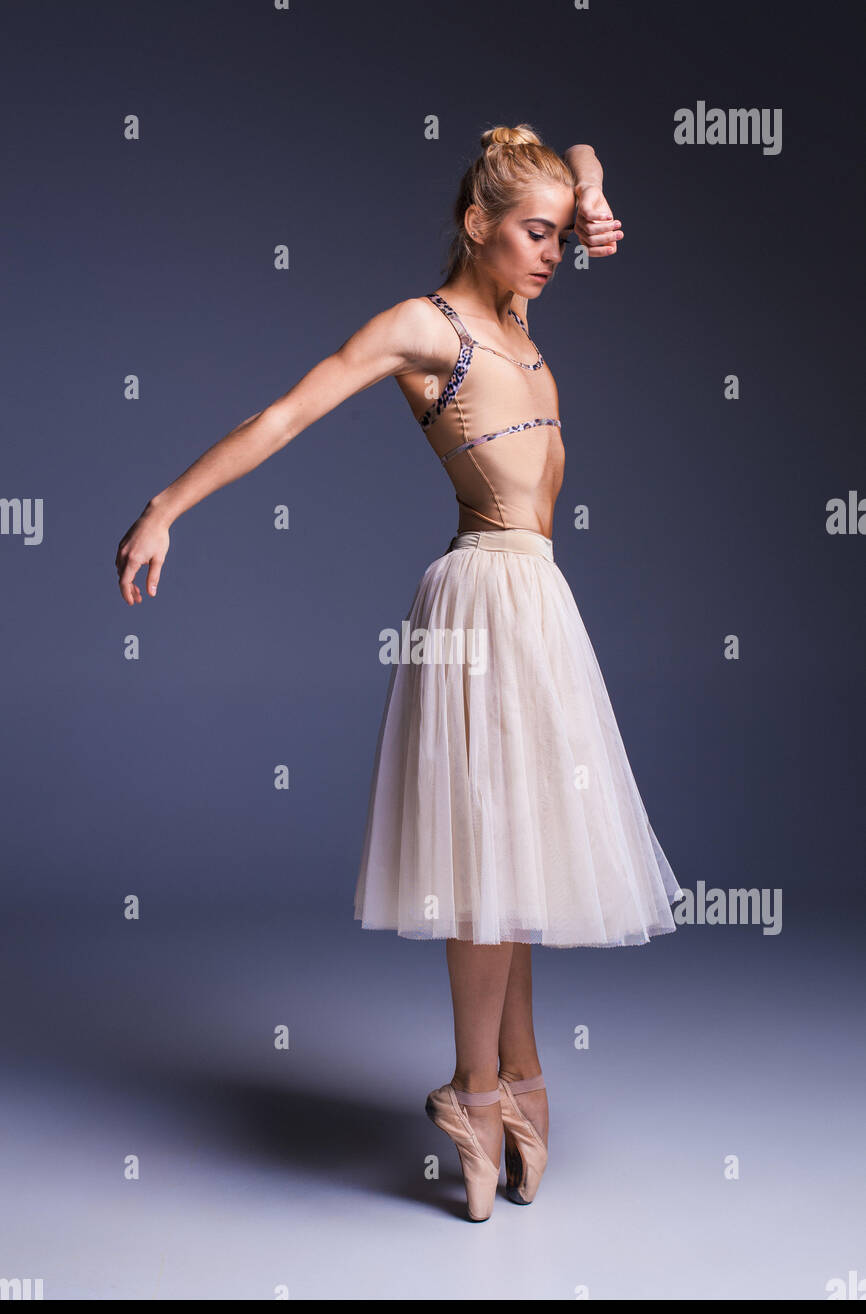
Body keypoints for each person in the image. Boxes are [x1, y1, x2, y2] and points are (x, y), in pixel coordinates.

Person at [115, 124, 684, 1224]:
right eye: (535, 232)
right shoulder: (425, 328)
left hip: (540, 600)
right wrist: (164, 508)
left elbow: (576, 145)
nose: (553, 254)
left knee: (520, 846)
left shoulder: (519, 324)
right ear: (475, 225)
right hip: (479, 602)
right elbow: (287, 412)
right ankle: (478, 1091)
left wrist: (596, 190)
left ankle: (518, 1081)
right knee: (485, 854)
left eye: (563, 237)